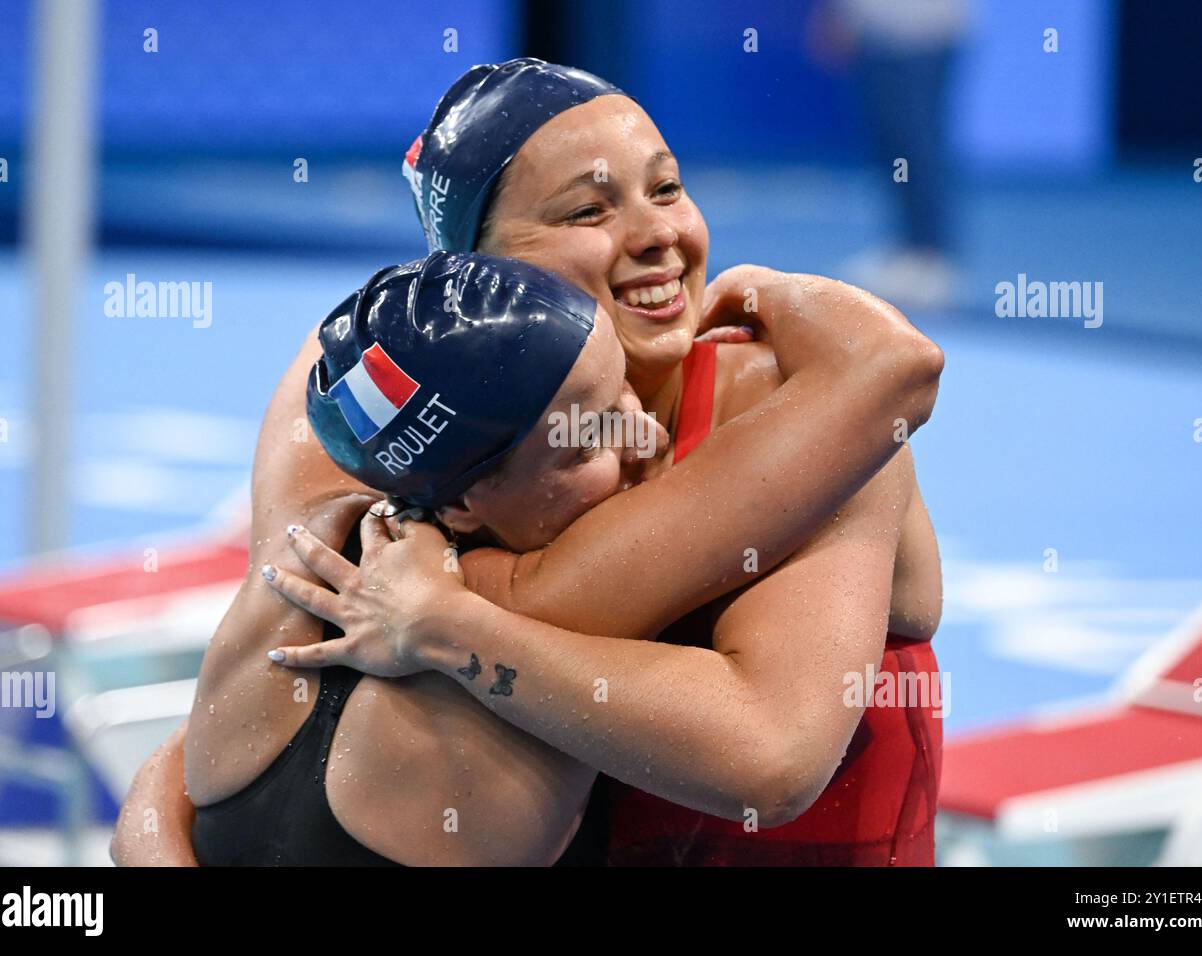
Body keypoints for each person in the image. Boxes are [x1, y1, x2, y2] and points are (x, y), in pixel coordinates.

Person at [113, 58, 945, 866]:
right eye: (587, 211)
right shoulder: (392, 376)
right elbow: (279, 668)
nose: (658, 235)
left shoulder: (796, 402)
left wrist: (449, 627)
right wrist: (159, 807)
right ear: (472, 268)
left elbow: (772, 759)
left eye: (666, 188)